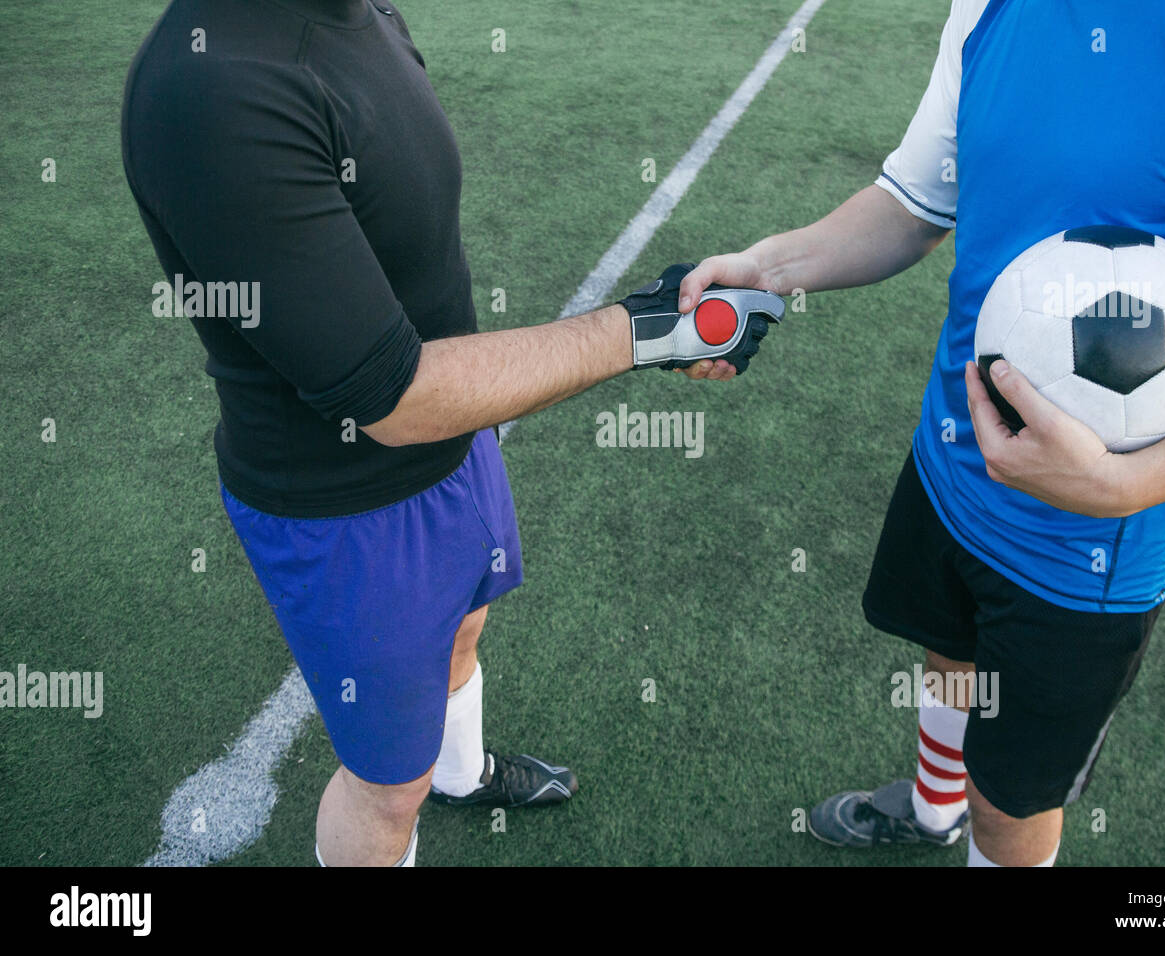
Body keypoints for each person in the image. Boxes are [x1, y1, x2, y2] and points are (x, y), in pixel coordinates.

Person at [121, 0, 778, 866]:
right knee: (388, 786)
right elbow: (388, 394)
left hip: (459, 436)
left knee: (465, 629)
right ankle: (417, 790)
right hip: (346, 506)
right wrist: (652, 329)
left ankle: (464, 772)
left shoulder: (363, 14)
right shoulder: (212, 86)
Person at [679, 0, 1165, 866]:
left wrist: (1127, 485)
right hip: (950, 459)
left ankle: (975, 824)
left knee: (1010, 811)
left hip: (1090, 548)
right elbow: (916, 201)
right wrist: (770, 268)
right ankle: (933, 811)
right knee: (949, 651)